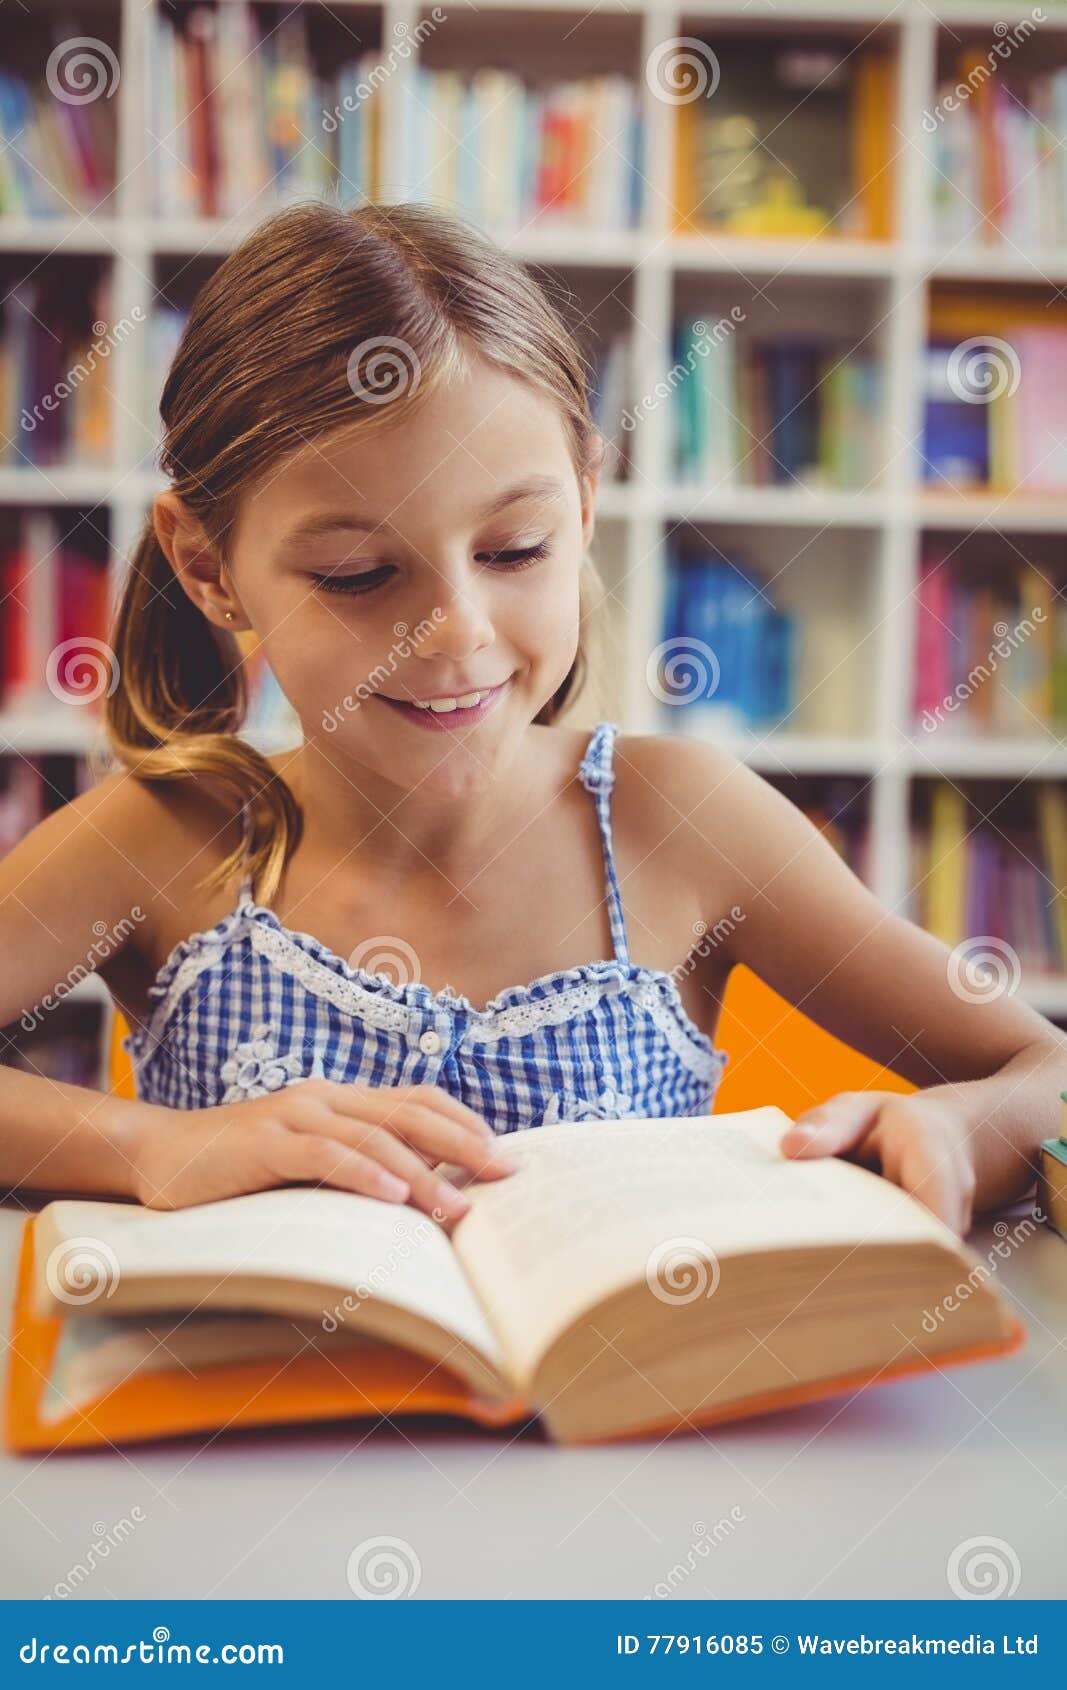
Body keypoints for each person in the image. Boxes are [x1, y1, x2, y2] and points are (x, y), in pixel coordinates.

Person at [1, 201, 1061, 1236]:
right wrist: (149, 1145)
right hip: (251, 1414)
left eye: (514, 551)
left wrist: (964, 1126)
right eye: (357, 574)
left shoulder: (678, 818)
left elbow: (1045, 1073)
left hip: (628, 1412)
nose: (455, 635)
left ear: (585, 503)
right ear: (207, 567)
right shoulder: (164, 839)